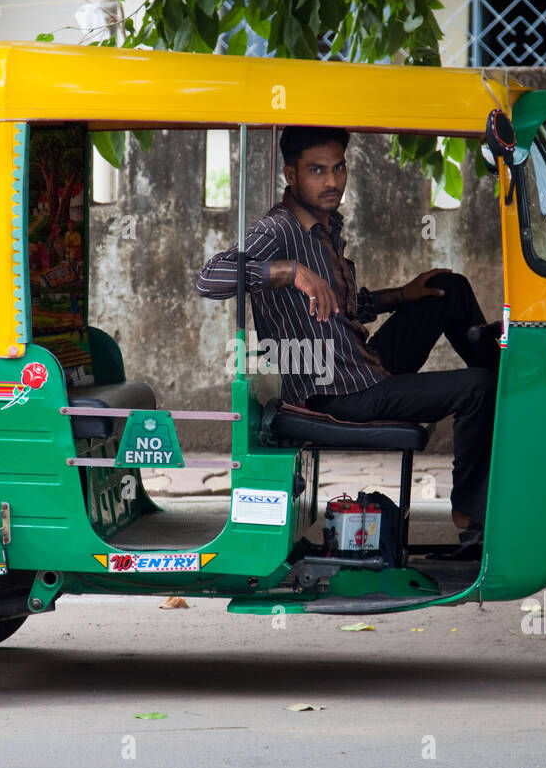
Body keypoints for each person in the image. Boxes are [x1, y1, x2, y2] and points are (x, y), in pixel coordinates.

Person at [195, 126, 498, 553]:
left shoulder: (327, 228)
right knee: (477, 388)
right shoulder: (278, 229)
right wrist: (290, 272)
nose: (332, 181)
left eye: (338, 168)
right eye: (317, 170)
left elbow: (343, 309)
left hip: (363, 365)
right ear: (291, 175)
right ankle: (471, 510)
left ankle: (515, 401)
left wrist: (401, 296)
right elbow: (209, 278)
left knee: (449, 289)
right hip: (335, 394)